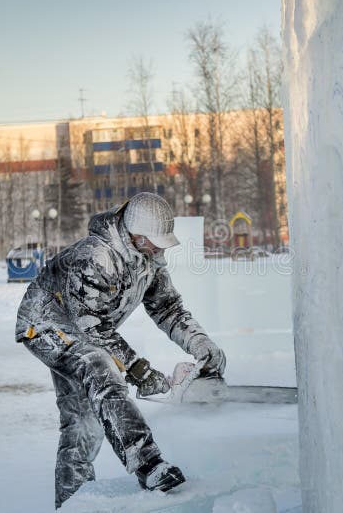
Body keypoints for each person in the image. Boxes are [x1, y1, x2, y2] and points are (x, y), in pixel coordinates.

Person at [15, 192, 226, 509]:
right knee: (100, 368)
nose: (160, 249)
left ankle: (72, 503)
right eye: (155, 241)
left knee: (83, 422)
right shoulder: (95, 257)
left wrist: (201, 344)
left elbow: (168, 309)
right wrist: (138, 370)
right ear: (137, 236)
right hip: (44, 324)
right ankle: (149, 465)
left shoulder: (148, 261)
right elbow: (92, 326)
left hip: (80, 329)